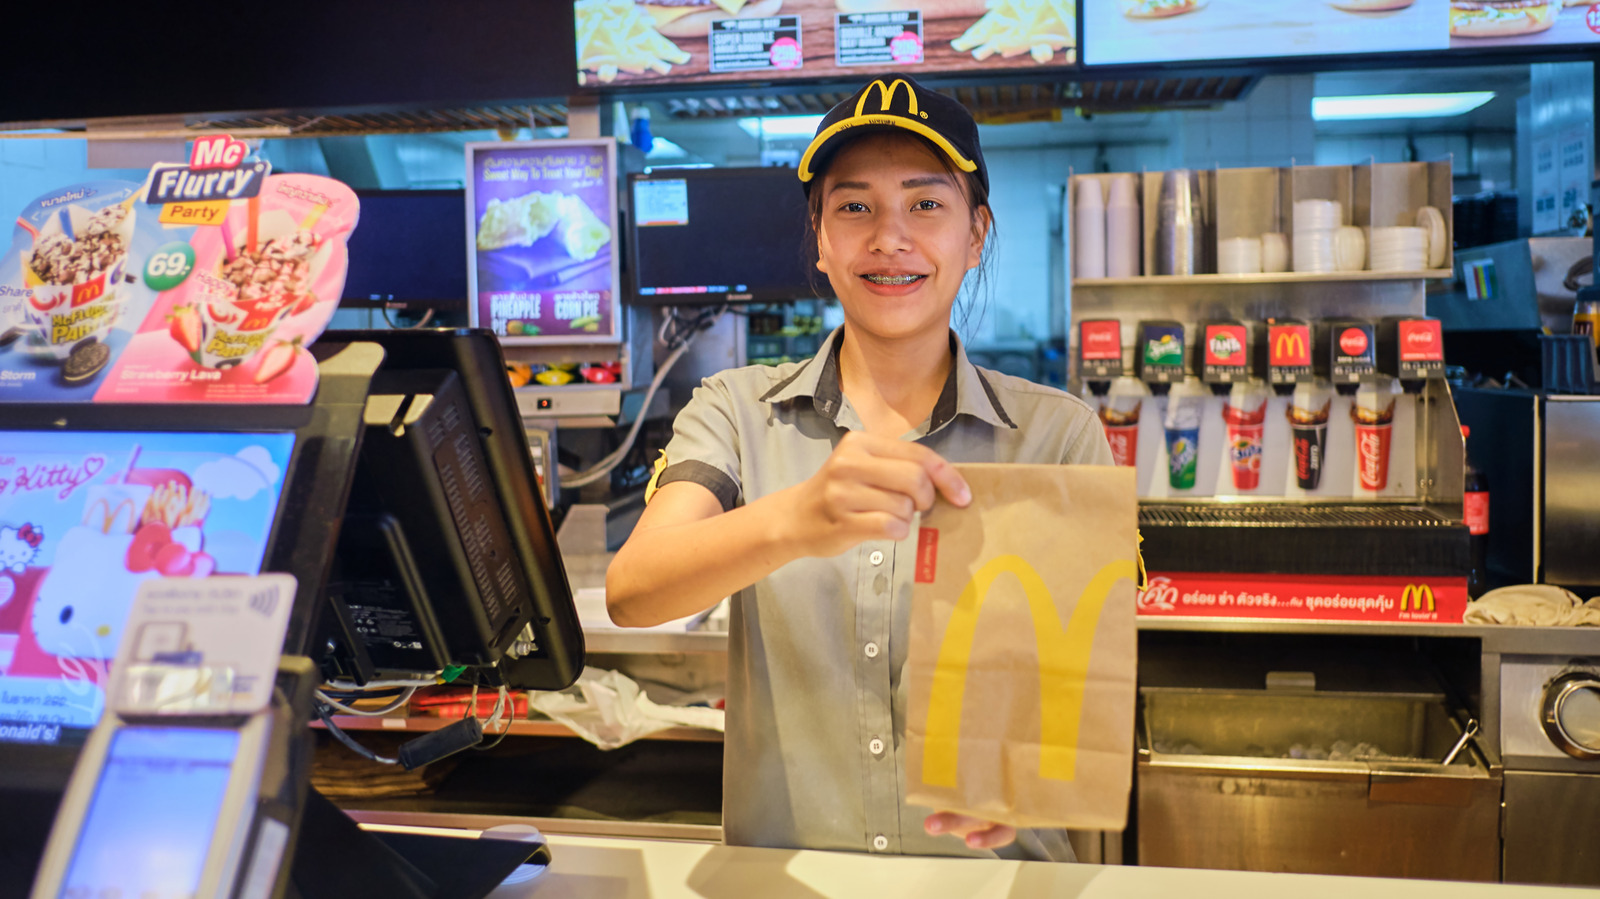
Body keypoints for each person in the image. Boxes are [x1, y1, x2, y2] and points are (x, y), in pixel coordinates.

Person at [606, 75, 1112, 862]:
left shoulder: (1057, 435)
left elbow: (1085, 683)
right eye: (854, 207)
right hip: (787, 879)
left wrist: (1037, 771)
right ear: (819, 237)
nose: (889, 237)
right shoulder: (736, 410)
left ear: (976, 233)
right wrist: (793, 519)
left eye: (925, 204)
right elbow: (635, 590)